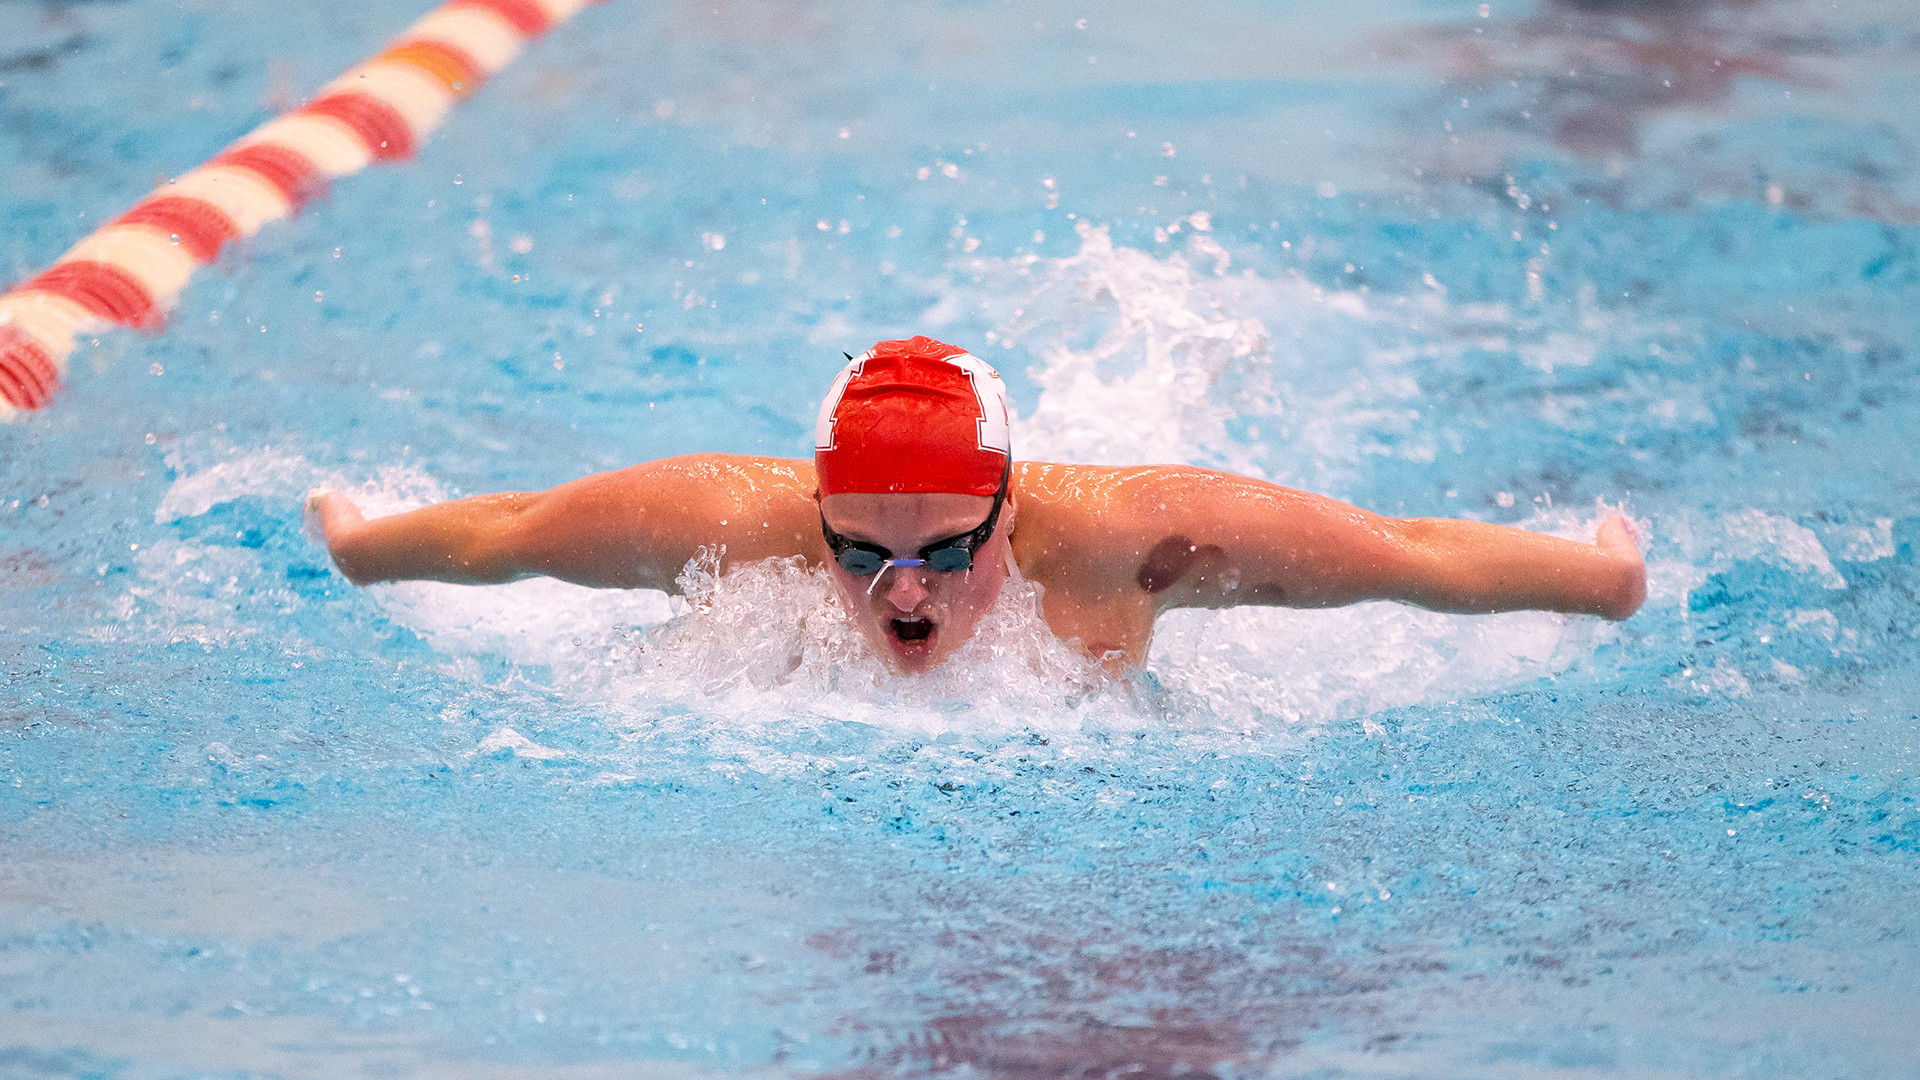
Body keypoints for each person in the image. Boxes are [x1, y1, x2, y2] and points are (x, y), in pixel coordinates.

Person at [307, 336, 1646, 673]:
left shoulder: (1132, 539)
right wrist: (366, 550)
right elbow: (505, 535)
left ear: (1014, 505)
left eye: (952, 549)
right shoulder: (730, 521)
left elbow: (1402, 556)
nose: (907, 592)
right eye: (861, 553)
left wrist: (1600, 582)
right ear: (814, 515)